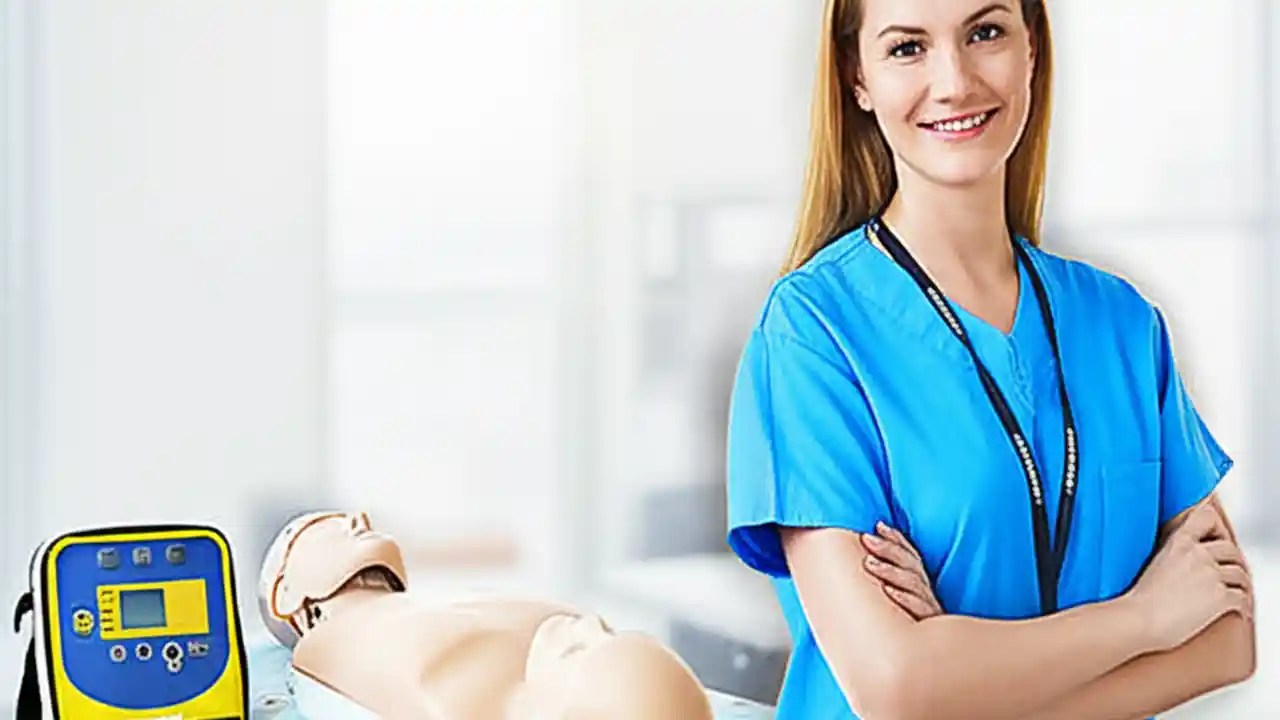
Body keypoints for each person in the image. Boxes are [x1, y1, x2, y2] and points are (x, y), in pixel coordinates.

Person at [723, 1, 1257, 718]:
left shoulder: (1123, 325)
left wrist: (959, 670)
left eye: (985, 32)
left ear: (1031, 49)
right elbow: (896, 685)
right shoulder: (814, 331)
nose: (955, 81)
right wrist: (1147, 619)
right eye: (908, 48)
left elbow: (1228, 638)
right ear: (858, 78)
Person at [258, 511, 714, 720]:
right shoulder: (330, 646)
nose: (359, 520)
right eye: (330, 529)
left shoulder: (429, 609)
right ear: (284, 592)